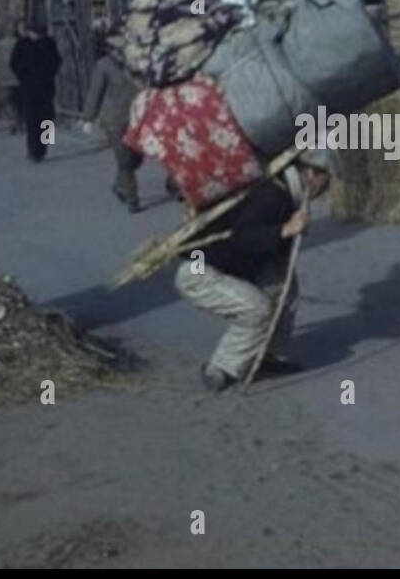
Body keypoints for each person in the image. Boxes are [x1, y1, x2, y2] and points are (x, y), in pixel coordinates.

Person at [174, 160, 331, 391]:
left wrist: (288, 236)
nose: (327, 186)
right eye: (326, 178)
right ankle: (221, 368)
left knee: (282, 285)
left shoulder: (282, 191)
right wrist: (284, 230)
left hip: (229, 264)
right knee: (258, 310)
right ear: (311, 173)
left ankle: (271, 353)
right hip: (200, 267)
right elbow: (244, 238)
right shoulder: (272, 195)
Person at [79, 39, 142, 210]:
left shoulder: (138, 63)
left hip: (137, 118)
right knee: (124, 160)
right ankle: (132, 199)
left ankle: (120, 184)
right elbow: (95, 92)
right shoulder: (104, 66)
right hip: (114, 120)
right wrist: (88, 118)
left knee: (136, 158)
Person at [9, 20, 62, 162]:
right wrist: (24, 75)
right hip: (29, 88)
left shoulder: (49, 43)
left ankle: (45, 146)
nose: (38, 36)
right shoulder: (22, 44)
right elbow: (14, 63)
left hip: (46, 86)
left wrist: (49, 73)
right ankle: (34, 150)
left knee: (47, 117)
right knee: (32, 119)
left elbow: (57, 61)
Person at [0, 26, 23, 133]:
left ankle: (14, 123)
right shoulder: (21, 44)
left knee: (8, 102)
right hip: (20, 78)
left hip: (3, 78)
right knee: (19, 102)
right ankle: (19, 123)